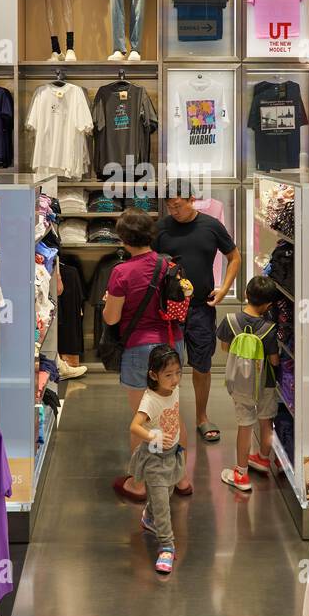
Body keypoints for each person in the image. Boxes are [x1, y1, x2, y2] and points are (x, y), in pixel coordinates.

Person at [103, 209, 191, 502]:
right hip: (172, 346)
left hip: (140, 349)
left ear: (124, 239)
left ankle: (140, 485)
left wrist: (107, 304)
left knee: (143, 419)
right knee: (171, 414)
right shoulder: (169, 265)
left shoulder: (121, 272)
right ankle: (181, 480)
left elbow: (112, 318)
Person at [155, 194, 240, 443]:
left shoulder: (211, 226)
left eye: (178, 205)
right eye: (170, 207)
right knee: (167, 364)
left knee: (202, 364)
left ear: (191, 200)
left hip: (201, 307)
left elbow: (234, 256)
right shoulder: (161, 228)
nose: (174, 211)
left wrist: (224, 288)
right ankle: (167, 417)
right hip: (169, 308)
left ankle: (202, 417)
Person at [216, 276, 281, 492]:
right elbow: (273, 360)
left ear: (245, 294)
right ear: (268, 305)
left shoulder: (230, 321)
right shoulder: (270, 329)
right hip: (267, 383)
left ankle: (241, 474)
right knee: (266, 420)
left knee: (244, 426)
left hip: (241, 383)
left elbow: (225, 347)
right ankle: (263, 458)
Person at [128, 345, 185, 575]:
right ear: (154, 375)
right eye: (168, 375)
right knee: (164, 504)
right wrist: (153, 436)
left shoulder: (175, 389)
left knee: (165, 495)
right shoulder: (150, 400)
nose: (174, 380)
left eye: (178, 373)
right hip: (154, 459)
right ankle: (167, 546)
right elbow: (134, 426)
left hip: (172, 456)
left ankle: (149, 517)